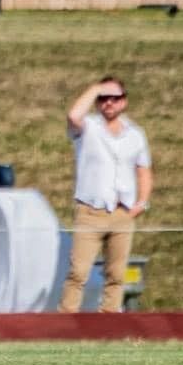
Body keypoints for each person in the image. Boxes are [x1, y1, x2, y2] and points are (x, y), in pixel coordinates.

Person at [62, 75, 152, 313]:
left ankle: (109, 322)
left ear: (124, 101)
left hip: (122, 212)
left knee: (116, 274)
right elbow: (73, 115)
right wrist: (95, 88)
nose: (109, 103)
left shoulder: (135, 133)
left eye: (115, 98)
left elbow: (143, 169)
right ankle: (66, 321)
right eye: (103, 98)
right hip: (90, 211)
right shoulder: (88, 127)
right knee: (78, 272)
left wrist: (141, 203)